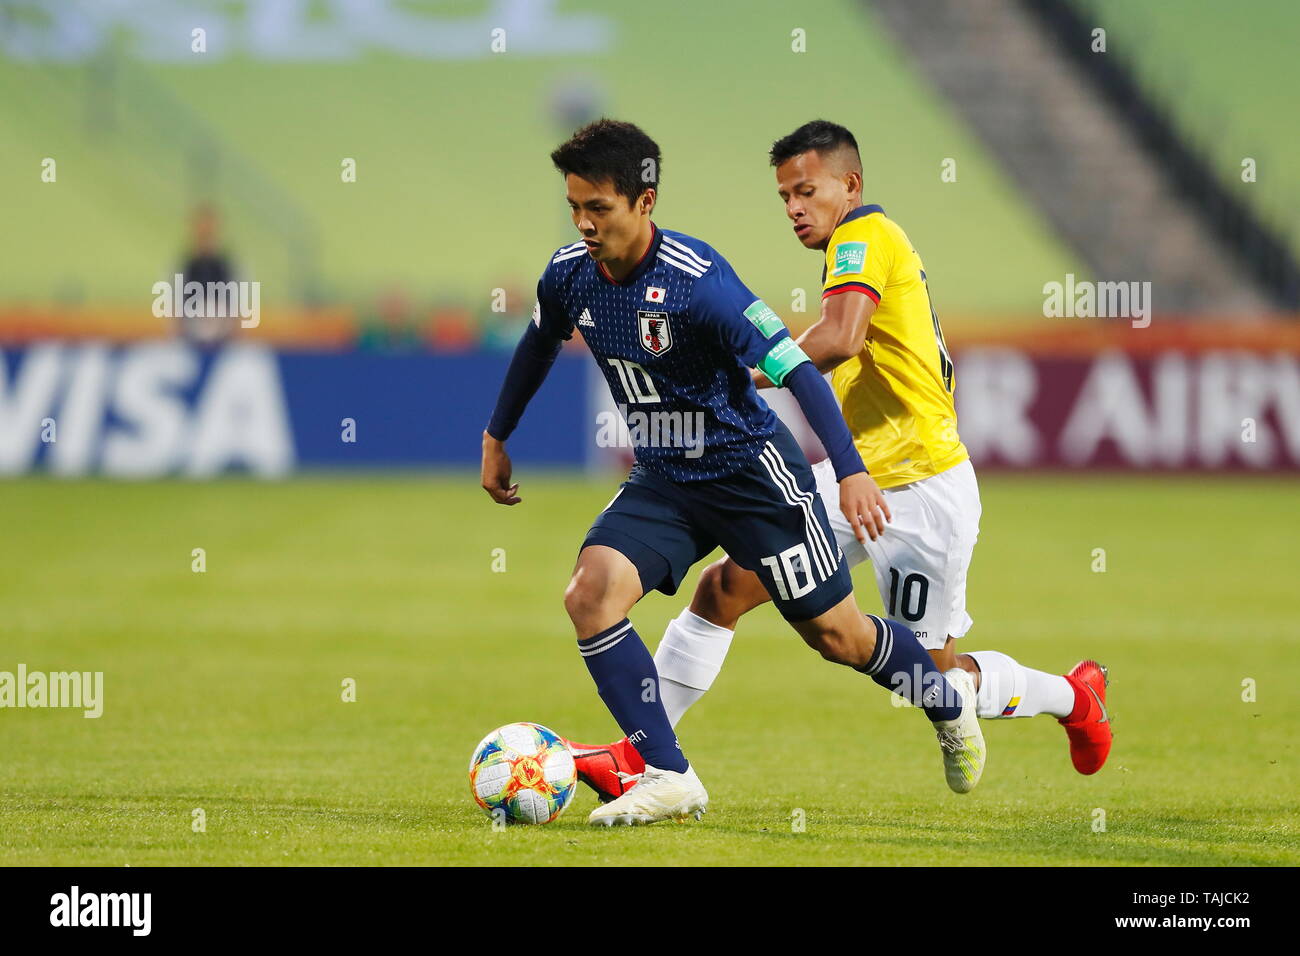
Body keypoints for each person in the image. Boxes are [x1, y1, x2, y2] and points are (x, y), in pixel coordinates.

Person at [568, 121, 1111, 805]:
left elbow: (839, 337)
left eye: (807, 191)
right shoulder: (852, 247)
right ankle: (643, 758)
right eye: (784, 197)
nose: (794, 208)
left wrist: (739, 374)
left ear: (850, 185)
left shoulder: (864, 235)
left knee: (932, 676)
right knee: (724, 588)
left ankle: (1073, 698)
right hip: (858, 480)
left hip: (922, 488)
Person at [482, 119, 986, 826]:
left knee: (838, 637)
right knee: (590, 594)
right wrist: (497, 435)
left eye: (599, 207)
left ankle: (945, 699)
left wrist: (849, 471)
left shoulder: (699, 283)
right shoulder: (568, 273)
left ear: (644, 202)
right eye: (575, 207)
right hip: (665, 477)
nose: (585, 224)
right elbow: (540, 341)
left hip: (753, 476)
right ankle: (669, 775)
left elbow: (800, 370)